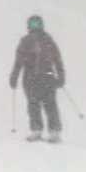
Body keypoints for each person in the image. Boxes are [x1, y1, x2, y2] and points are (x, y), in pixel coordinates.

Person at [9, 14, 65, 143]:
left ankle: (53, 131)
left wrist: (61, 76)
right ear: (29, 26)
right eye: (33, 24)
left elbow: (57, 60)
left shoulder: (46, 40)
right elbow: (19, 61)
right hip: (33, 78)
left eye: (37, 24)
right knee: (34, 104)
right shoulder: (27, 41)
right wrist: (14, 76)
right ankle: (38, 129)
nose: (35, 27)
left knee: (49, 104)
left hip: (45, 77)